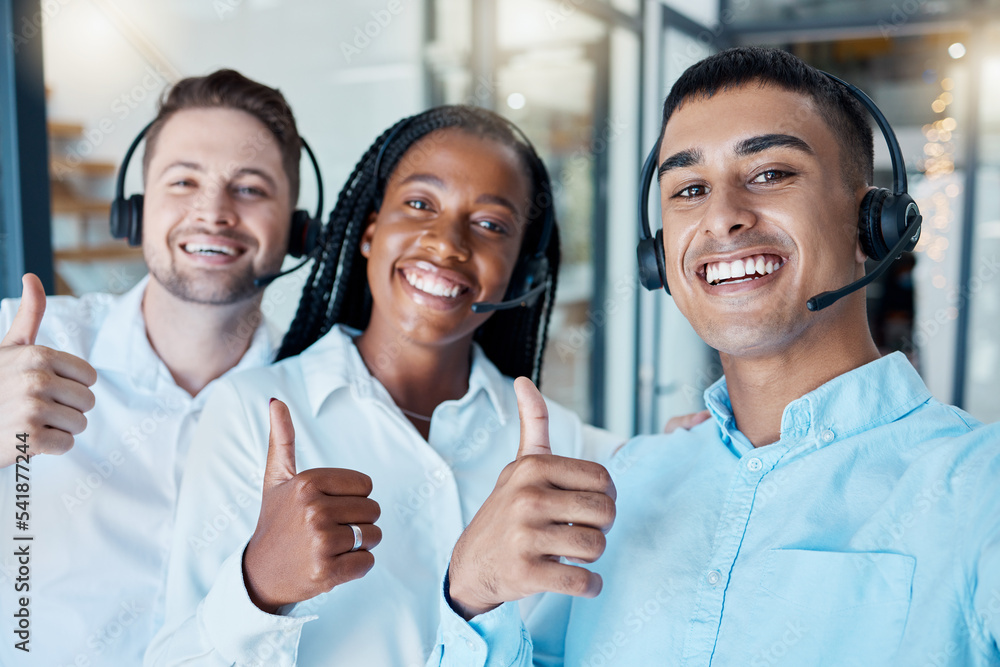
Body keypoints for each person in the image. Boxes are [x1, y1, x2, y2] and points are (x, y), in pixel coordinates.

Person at [428, 47, 1000, 666]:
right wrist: (474, 595)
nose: (722, 217)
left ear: (871, 223)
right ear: (659, 256)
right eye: (691, 189)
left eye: (771, 174)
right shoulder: (630, 478)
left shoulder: (978, 487)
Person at [145, 105, 621, 667]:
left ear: (522, 275)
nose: (446, 244)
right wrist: (261, 588)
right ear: (370, 231)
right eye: (419, 204)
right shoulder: (250, 411)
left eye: (490, 225)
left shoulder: (566, 448)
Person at [0, 69, 309, 665]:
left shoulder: (315, 399)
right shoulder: (22, 346)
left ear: (298, 228)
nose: (213, 211)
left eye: (249, 188)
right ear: (134, 212)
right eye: (184, 181)